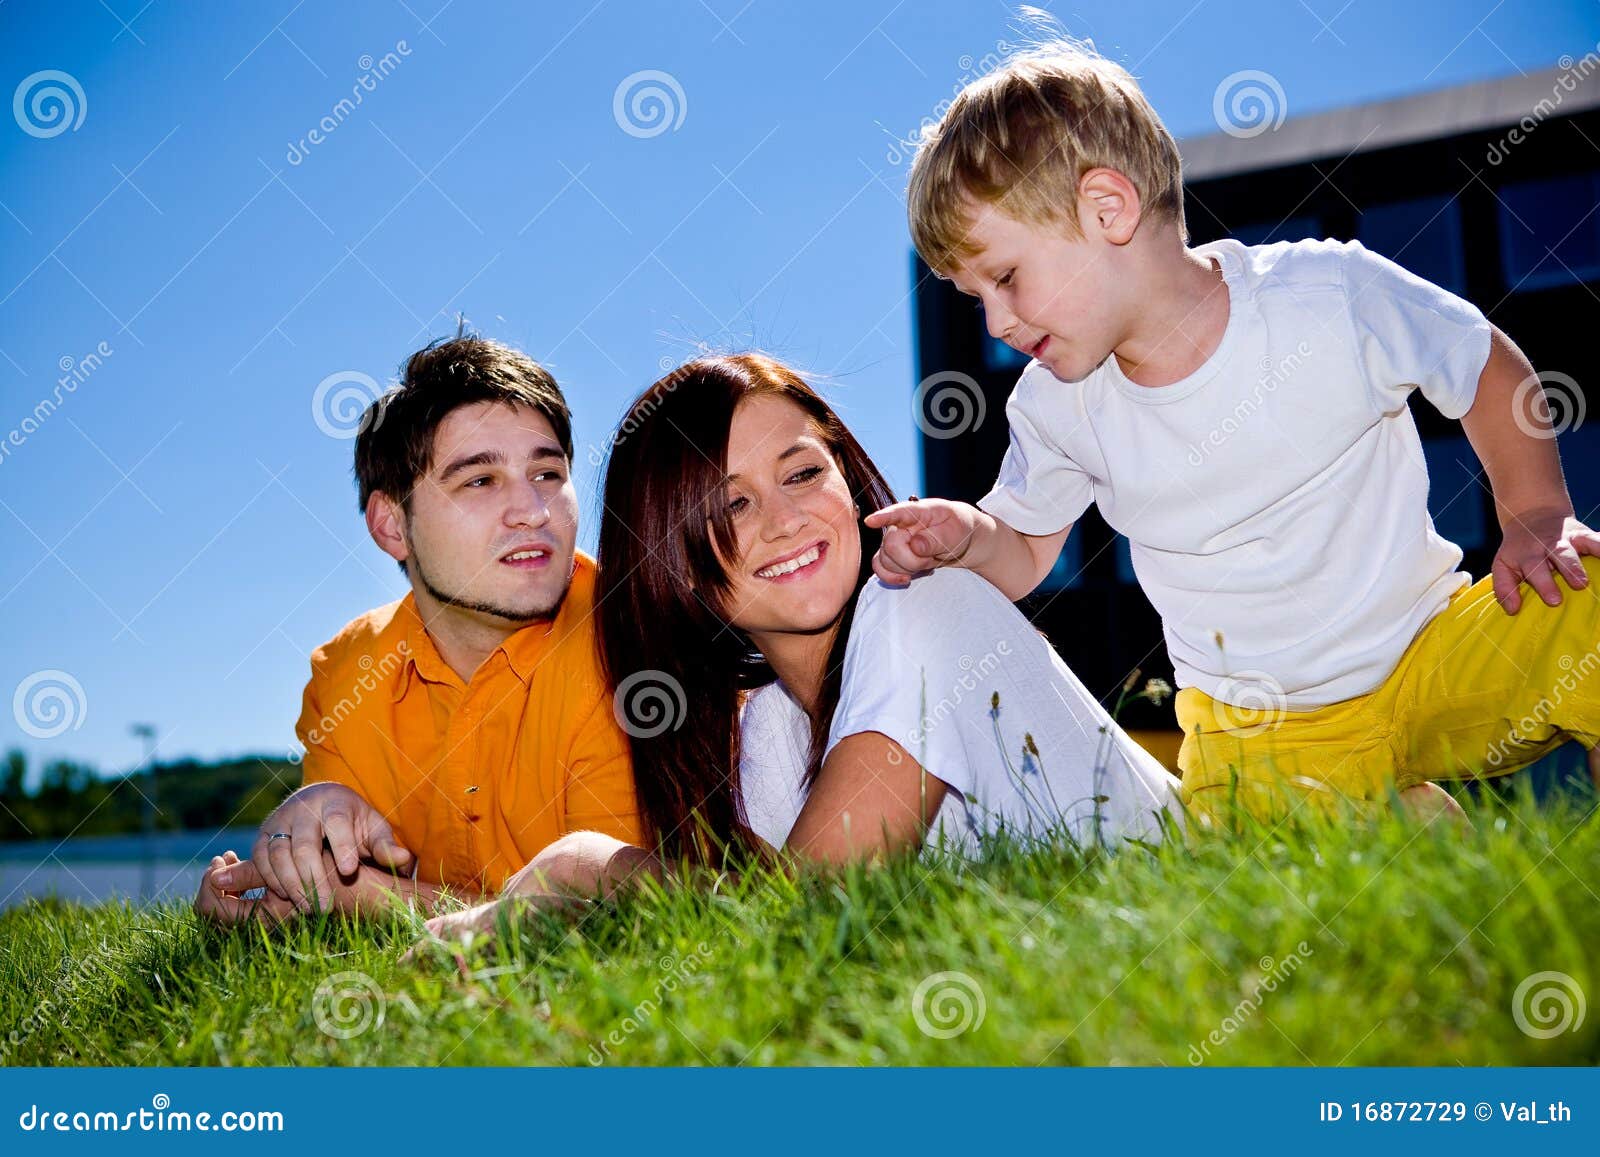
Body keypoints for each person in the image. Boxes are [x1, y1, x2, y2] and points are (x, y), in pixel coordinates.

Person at [866, 33, 1600, 826]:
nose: (996, 320)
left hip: (1429, 652)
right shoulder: (1054, 407)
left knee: (1590, 615)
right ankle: (1413, 838)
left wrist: (1536, 515)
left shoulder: (1324, 292)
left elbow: (1483, 365)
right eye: (975, 296)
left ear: (1106, 210)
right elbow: (1021, 549)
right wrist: (965, 535)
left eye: (1005, 278)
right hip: (1258, 738)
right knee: (1276, 881)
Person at [418, 353, 1180, 944]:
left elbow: (801, 922)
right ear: (676, 567)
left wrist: (581, 866)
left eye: (804, 472)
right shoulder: (771, 734)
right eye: (734, 504)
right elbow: (753, 941)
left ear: (848, 479)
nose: (784, 520)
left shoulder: (923, 598)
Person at [195, 332, 642, 925]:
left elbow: (623, 912)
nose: (533, 511)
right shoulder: (345, 670)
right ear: (391, 526)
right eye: (479, 481)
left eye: (547, 473)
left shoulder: (635, 634)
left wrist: (374, 900)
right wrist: (293, 860)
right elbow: (325, 888)